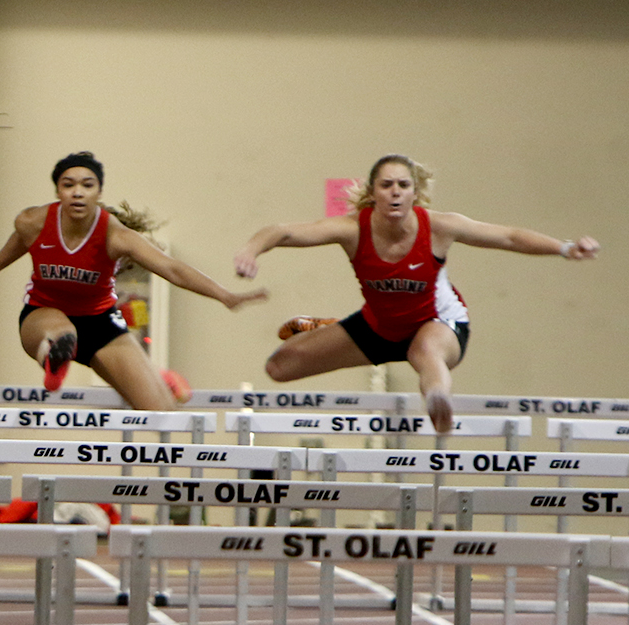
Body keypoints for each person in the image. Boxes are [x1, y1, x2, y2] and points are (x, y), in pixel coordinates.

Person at [235, 153, 599, 430]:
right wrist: (252, 250)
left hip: (437, 323)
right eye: (386, 185)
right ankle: (330, 328)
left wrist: (565, 248)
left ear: (415, 193)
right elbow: (284, 231)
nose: (395, 192)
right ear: (372, 193)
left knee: (423, 352)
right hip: (380, 327)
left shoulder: (440, 227)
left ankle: (438, 398)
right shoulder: (353, 229)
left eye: (403, 185)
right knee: (279, 367)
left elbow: (508, 237)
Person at [0, 151, 265, 407]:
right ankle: (54, 357)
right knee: (63, 333)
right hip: (44, 314)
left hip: (100, 324)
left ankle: (157, 380)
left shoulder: (115, 236)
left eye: (87, 185)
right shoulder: (32, 221)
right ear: (58, 192)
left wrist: (223, 295)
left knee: (162, 411)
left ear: (98, 192)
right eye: (68, 185)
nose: (77, 192)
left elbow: (172, 269)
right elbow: (20, 243)